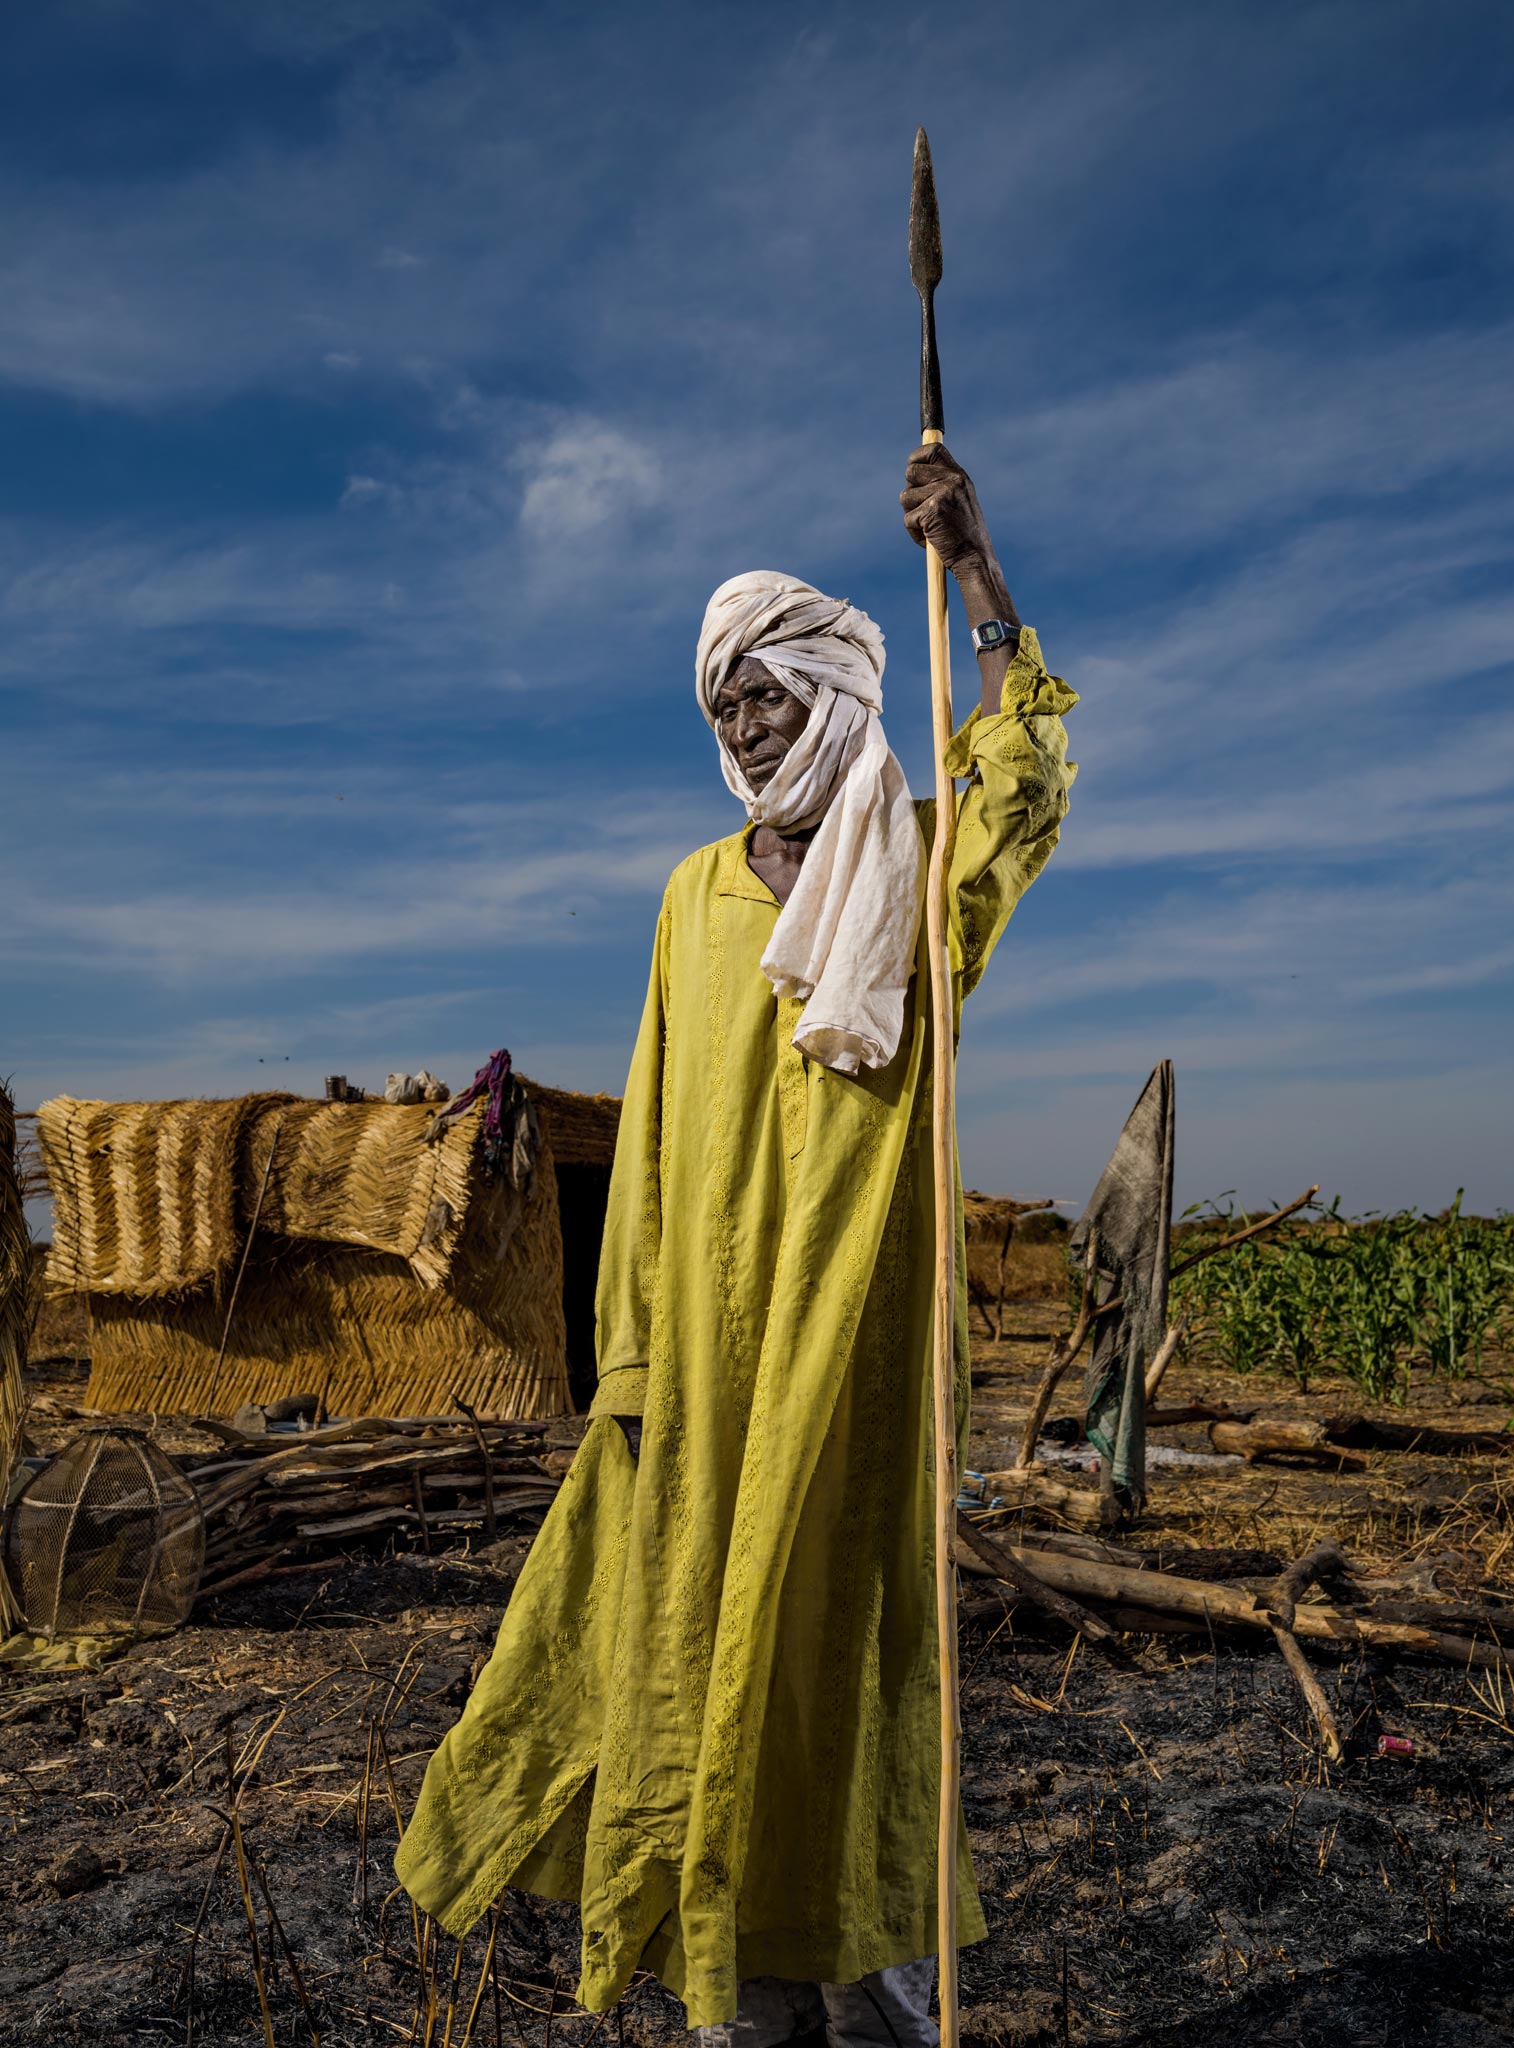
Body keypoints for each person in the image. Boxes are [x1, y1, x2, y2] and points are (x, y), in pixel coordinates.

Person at [395, 444, 1078, 2046]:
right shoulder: (694, 898)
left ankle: (875, 1991)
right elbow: (650, 1144)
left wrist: (979, 572)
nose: (743, 727)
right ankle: (736, 1990)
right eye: (723, 708)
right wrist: (626, 1350)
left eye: (764, 695)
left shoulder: (915, 870)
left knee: (838, 1667)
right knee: (686, 1655)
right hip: (696, 1367)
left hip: (854, 1352)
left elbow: (1030, 785)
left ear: (835, 689)